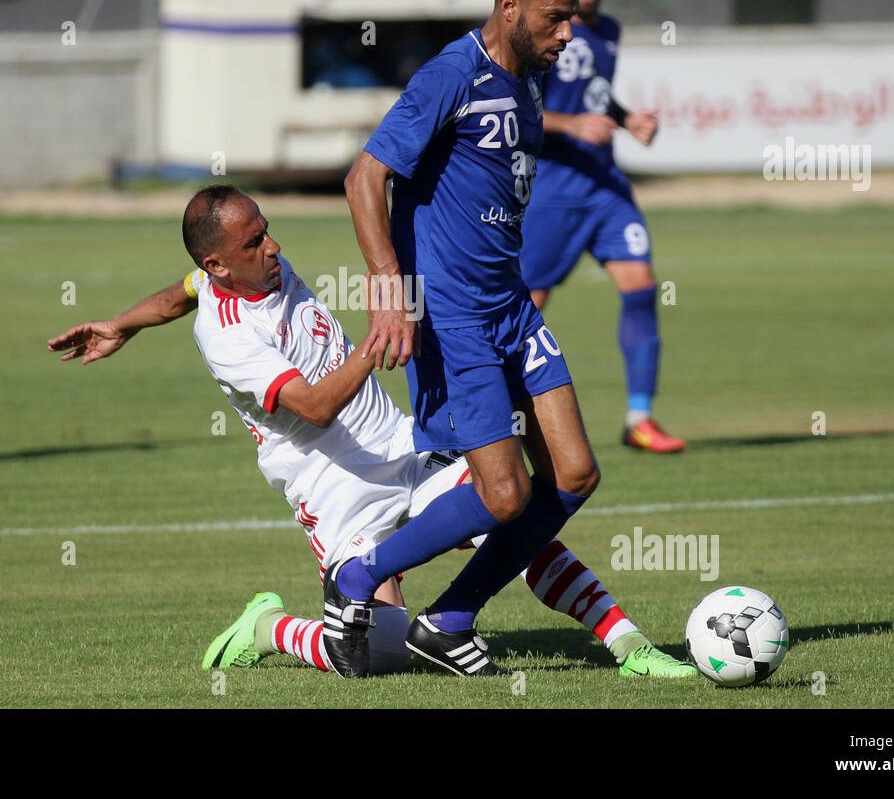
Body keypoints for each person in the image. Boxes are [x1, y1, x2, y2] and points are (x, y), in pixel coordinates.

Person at [47, 185, 694, 679]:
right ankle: (268, 625)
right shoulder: (229, 338)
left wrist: (122, 322)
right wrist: (377, 341)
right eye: (254, 245)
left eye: (268, 232)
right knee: (374, 656)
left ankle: (627, 644)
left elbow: (180, 289)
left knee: (508, 508)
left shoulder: (238, 268)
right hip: (330, 486)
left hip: (401, 448)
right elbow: (318, 406)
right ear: (222, 263)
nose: (272, 248)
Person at [339, 0, 620, 679]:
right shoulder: (449, 75)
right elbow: (365, 176)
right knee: (503, 494)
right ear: (510, 9)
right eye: (556, 19)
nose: (568, 34)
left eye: (573, 19)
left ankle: (451, 615)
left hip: (512, 308)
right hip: (455, 317)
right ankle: (358, 575)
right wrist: (390, 287)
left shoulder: (531, 78)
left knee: (577, 473)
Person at [523, 0, 685, 454]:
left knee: (641, 287)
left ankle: (640, 418)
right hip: (553, 190)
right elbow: (517, 107)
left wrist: (625, 117)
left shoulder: (609, 29)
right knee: (525, 311)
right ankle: (489, 423)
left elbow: (593, 88)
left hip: (605, 187)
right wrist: (572, 126)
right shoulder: (541, 31)